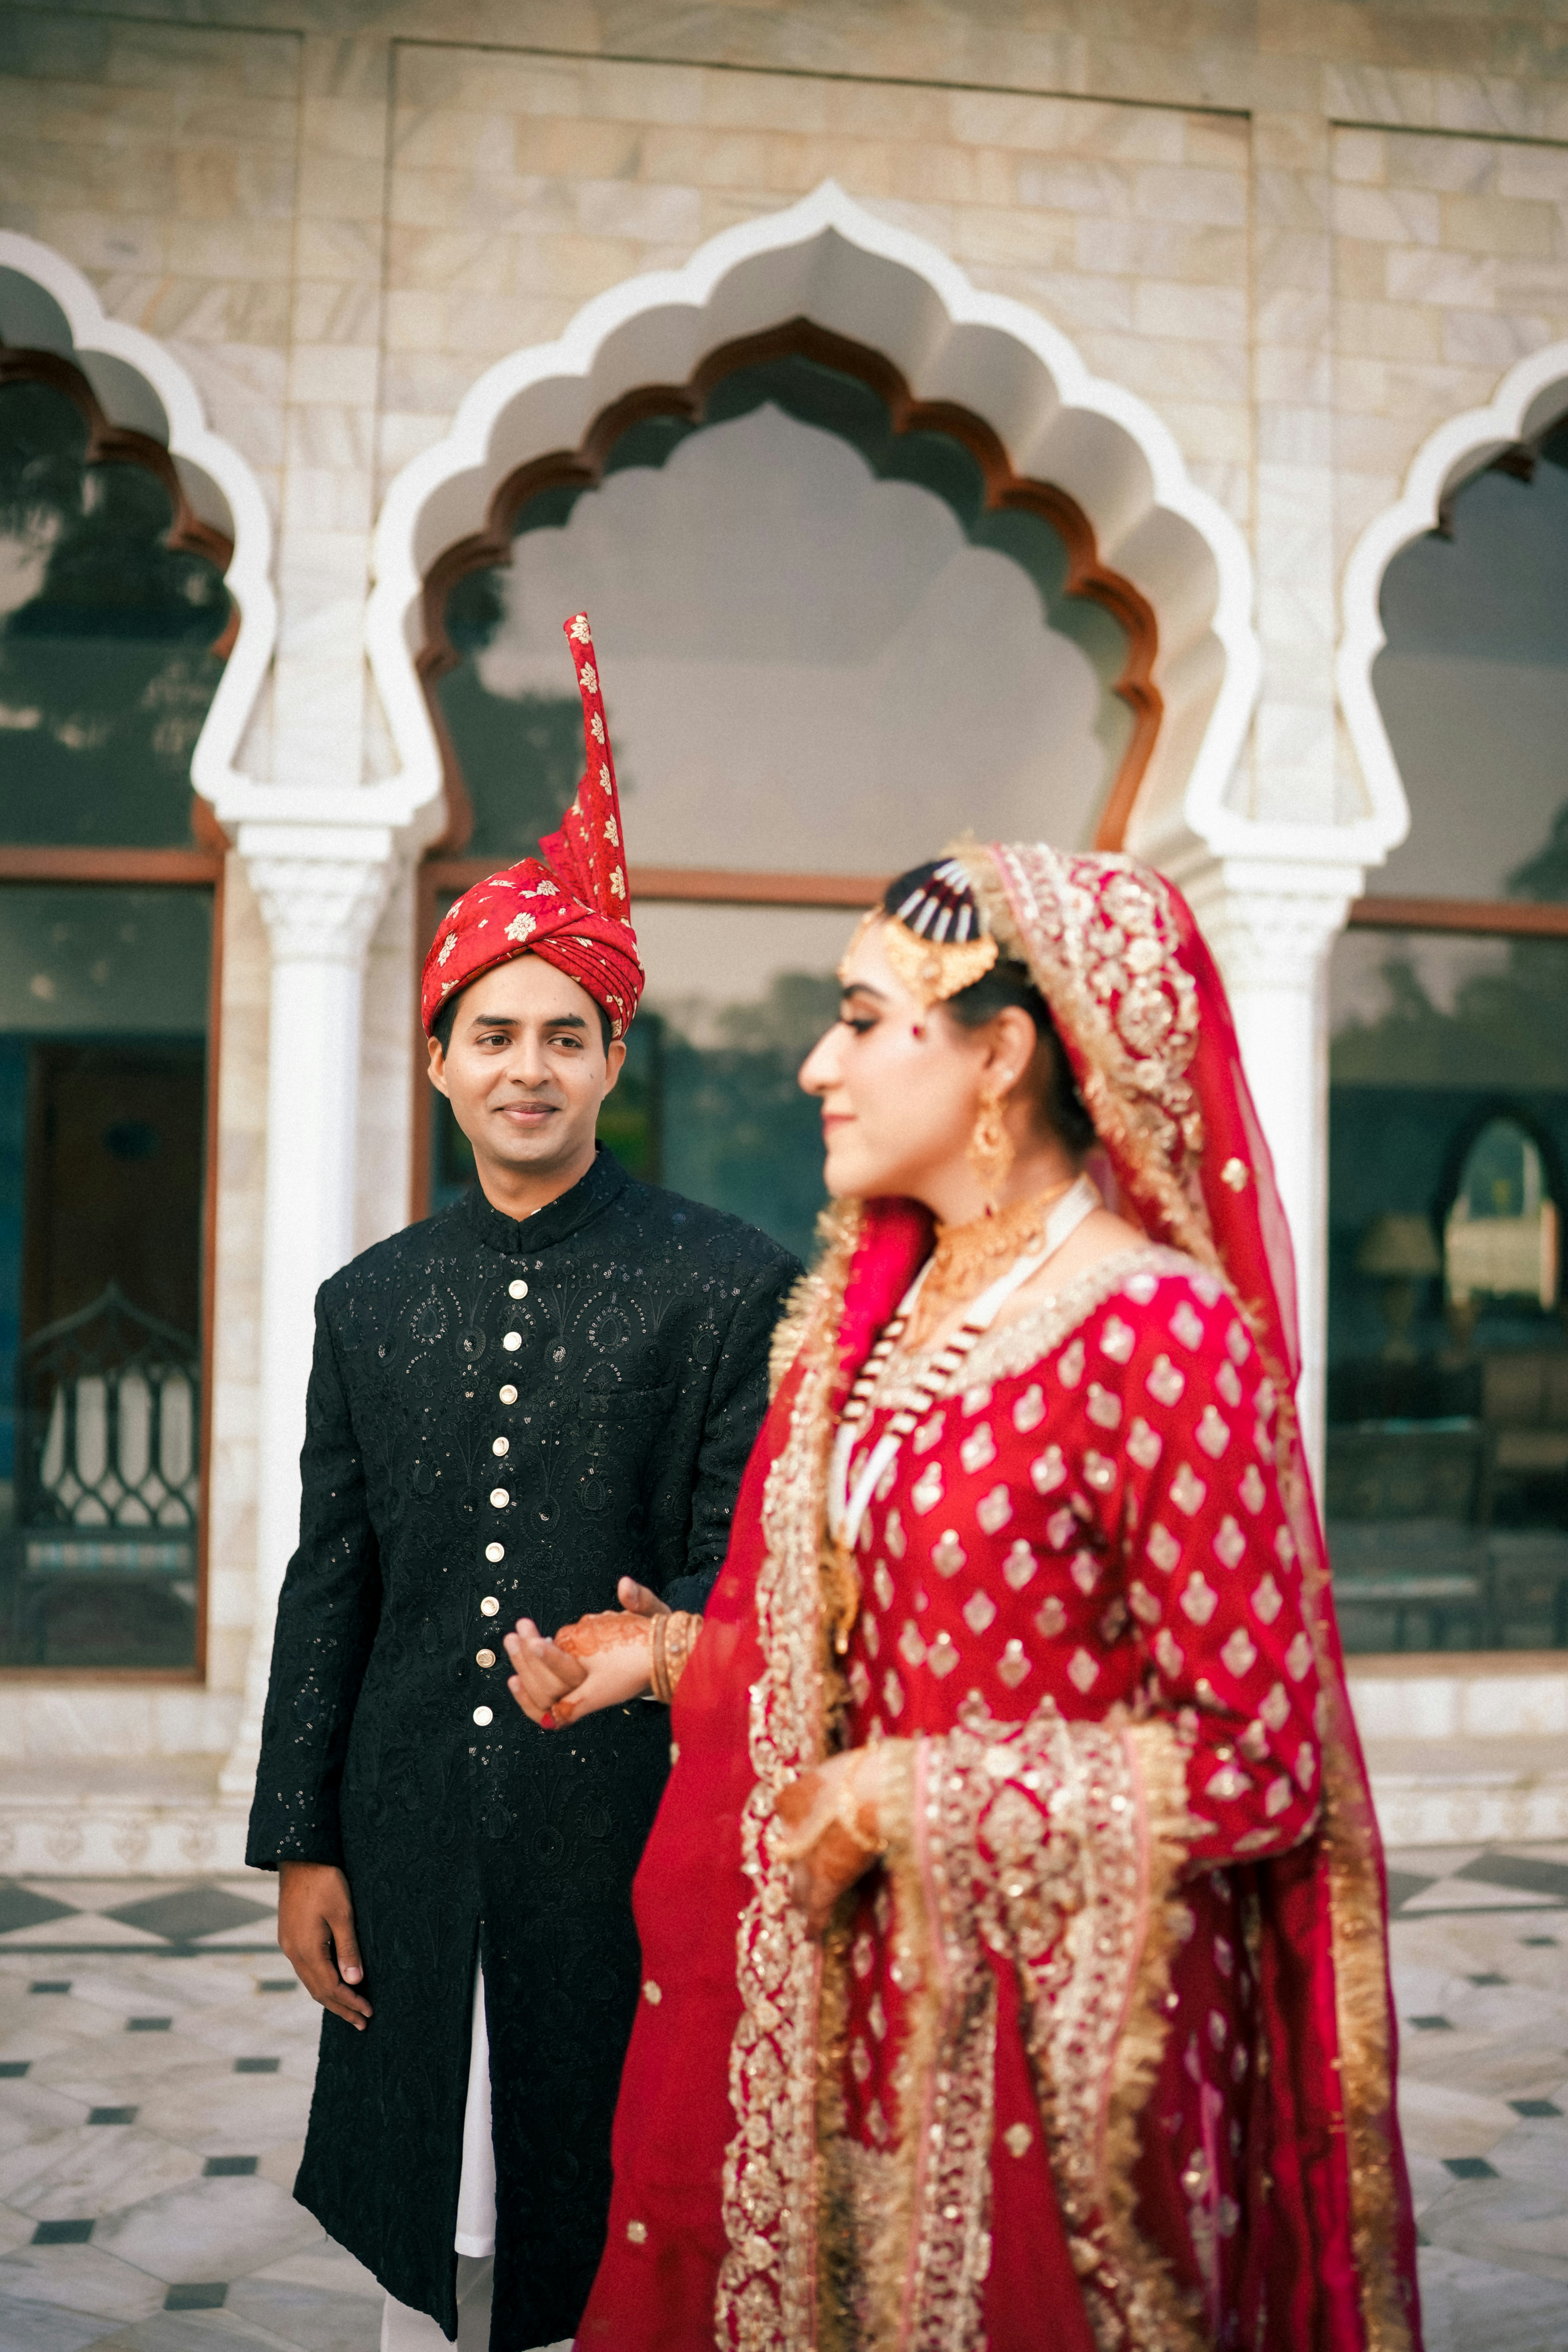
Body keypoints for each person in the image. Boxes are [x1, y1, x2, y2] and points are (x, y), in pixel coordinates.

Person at [514, 844, 1422, 2351]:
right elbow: (888, 1638)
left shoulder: (1158, 1333)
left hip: (1068, 2059)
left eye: (866, 1021)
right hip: (855, 2021)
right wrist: (676, 1655)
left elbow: (1259, 1765)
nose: (819, 1064)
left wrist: (911, 1800)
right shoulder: (875, 1320)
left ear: (1000, 1050)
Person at [244, 616, 799, 2352]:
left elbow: (741, 1575)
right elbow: (330, 1579)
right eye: (493, 1035)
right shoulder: (370, 1302)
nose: (528, 1068)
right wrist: (301, 1843)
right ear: (437, 1060)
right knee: (438, 2221)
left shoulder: (723, 1281)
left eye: (568, 1035)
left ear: (616, 1058)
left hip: (624, 1840)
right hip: (406, 1828)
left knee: (607, 2218)